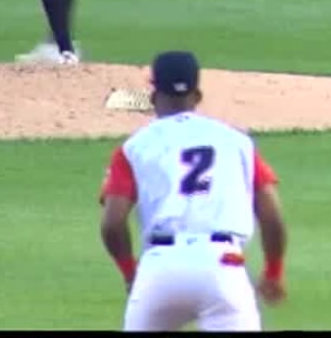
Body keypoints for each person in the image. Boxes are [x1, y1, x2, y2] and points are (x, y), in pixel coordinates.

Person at [98, 50, 289, 331]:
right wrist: (273, 272)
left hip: (160, 268)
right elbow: (272, 217)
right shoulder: (237, 142)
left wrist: (129, 272)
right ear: (197, 96)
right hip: (223, 267)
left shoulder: (134, 147)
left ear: (152, 96)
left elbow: (112, 224)